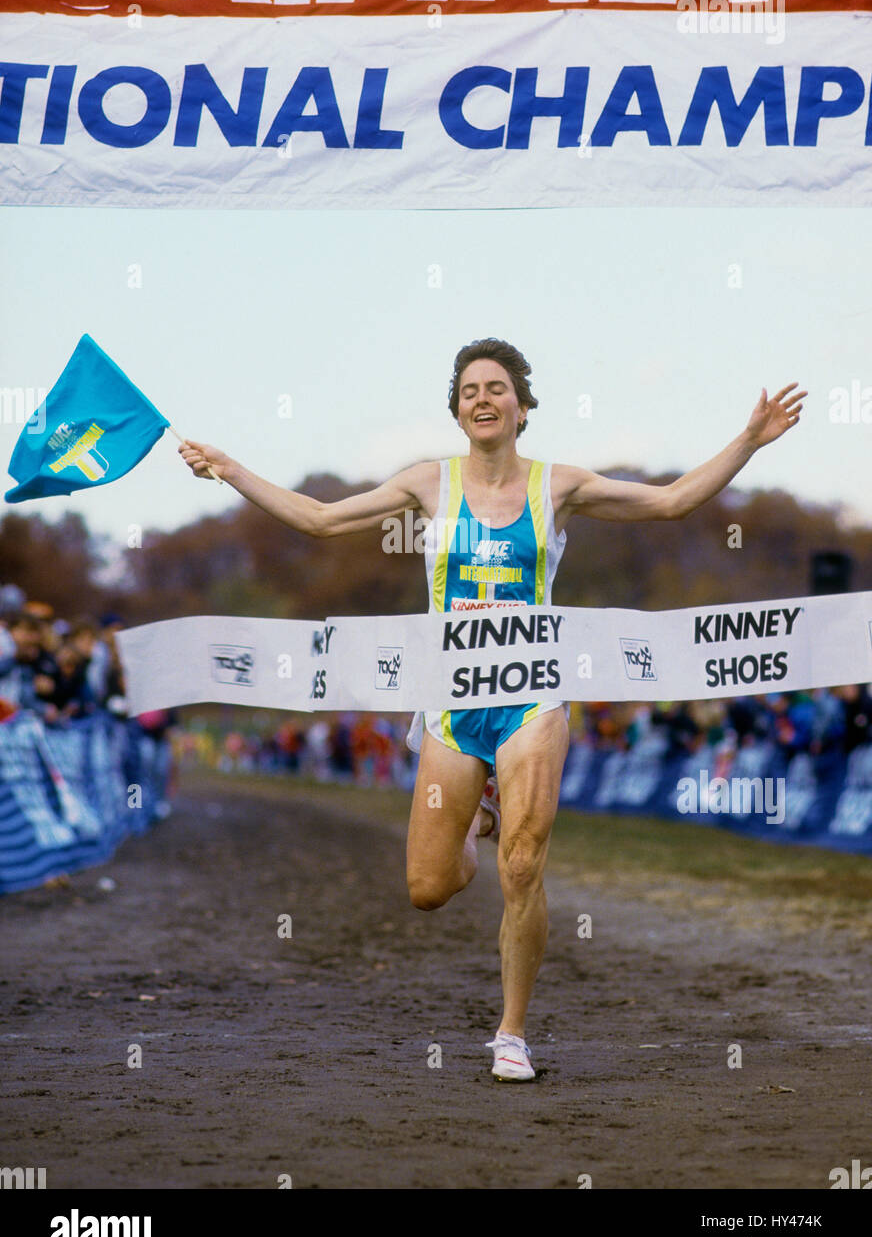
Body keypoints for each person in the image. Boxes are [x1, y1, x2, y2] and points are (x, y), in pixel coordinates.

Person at [179, 337, 805, 1082]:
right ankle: (476, 815)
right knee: (428, 888)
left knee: (524, 865)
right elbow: (317, 519)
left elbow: (671, 502)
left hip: (531, 695)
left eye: (497, 388)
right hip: (450, 706)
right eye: (470, 389)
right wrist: (231, 469)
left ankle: (511, 1032)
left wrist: (749, 440)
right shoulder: (427, 484)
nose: (483, 397)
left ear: (522, 407)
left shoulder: (558, 486)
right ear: (455, 410)